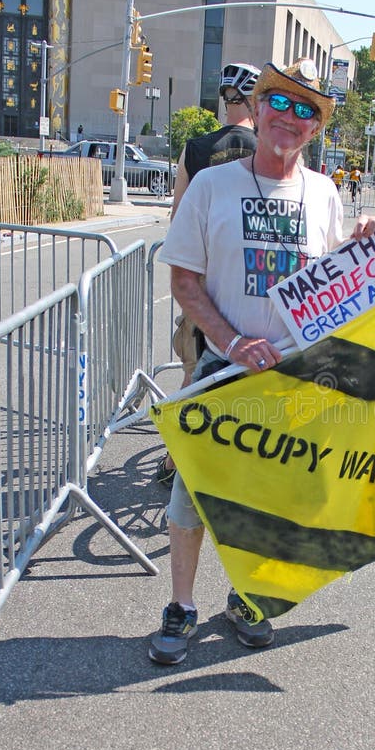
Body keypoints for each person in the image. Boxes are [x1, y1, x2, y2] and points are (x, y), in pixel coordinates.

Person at [150, 58, 375, 664]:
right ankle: (181, 605)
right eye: (281, 101)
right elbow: (184, 280)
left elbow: (335, 283)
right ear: (259, 108)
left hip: (294, 382)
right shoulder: (211, 187)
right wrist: (233, 344)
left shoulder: (325, 193)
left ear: (316, 128)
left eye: (307, 110)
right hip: (223, 374)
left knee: (270, 497)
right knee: (192, 498)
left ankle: (247, 598)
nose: (291, 117)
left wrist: (363, 246)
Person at [157, 62, 260, 489]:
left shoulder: (196, 149)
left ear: (225, 99)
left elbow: (179, 220)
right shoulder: (271, 149)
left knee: (195, 370)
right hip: (256, 286)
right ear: (256, 100)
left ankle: (175, 458)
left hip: (203, 286)